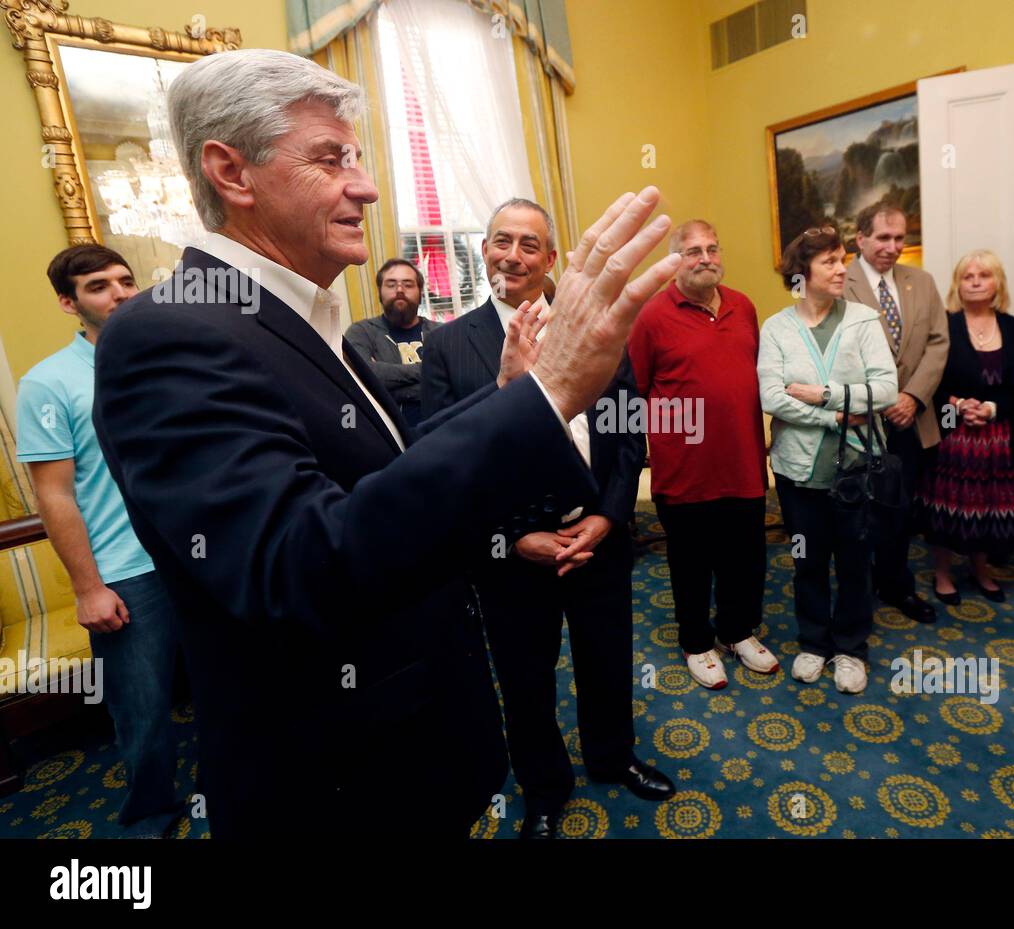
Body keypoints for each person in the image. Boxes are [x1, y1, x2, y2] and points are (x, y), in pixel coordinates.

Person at [90, 49, 681, 838]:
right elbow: (302, 563)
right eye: (331, 158)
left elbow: (383, 476)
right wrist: (548, 399)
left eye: (358, 157)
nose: (365, 185)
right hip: (339, 786)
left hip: (414, 740)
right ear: (232, 173)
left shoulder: (299, 317)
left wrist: (509, 398)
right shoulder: (166, 335)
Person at [422, 198, 673, 839]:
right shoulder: (448, 344)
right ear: (483, 249)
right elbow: (438, 456)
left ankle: (614, 758)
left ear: (551, 259)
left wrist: (612, 516)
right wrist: (509, 537)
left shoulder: (596, 329)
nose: (513, 254)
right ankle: (543, 788)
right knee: (525, 678)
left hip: (597, 537)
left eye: (529, 244)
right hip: (511, 552)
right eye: (501, 241)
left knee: (607, 660)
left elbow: (627, 430)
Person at [16, 245, 186, 838]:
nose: (119, 294)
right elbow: (56, 496)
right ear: (69, 302)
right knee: (142, 713)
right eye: (98, 286)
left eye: (125, 280)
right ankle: (150, 816)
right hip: (126, 572)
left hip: (198, 558)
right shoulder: (47, 383)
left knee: (230, 690)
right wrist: (89, 588)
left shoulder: (169, 363)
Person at [628, 220, 775, 690]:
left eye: (712, 248)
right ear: (674, 261)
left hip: (744, 463)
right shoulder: (652, 315)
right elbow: (636, 390)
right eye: (693, 251)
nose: (705, 257)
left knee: (746, 558)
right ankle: (696, 640)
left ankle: (737, 630)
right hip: (685, 470)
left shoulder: (744, 306)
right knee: (691, 563)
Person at [758, 224, 898, 694]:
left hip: (857, 469)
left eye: (843, 259)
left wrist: (824, 394)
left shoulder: (862, 319)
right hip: (798, 472)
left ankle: (851, 649)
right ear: (803, 273)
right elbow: (772, 397)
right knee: (807, 560)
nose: (842, 269)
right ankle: (814, 643)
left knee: (856, 561)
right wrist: (835, 418)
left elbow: (885, 389)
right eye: (831, 262)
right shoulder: (776, 327)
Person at [843, 200, 949, 624]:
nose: (892, 246)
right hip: (860, 421)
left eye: (900, 237)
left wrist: (913, 398)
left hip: (912, 419)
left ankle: (896, 584)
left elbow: (939, 342)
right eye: (883, 237)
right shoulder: (836, 279)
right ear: (861, 238)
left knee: (899, 509)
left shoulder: (921, 282)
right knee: (857, 510)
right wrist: (883, 399)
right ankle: (856, 588)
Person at [918, 250, 1014, 604]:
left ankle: (980, 570)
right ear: (957, 284)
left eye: (983, 275)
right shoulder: (943, 324)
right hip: (952, 433)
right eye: (967, 276)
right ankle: (942, 573)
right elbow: (928, 380)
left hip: (1000, 438)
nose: (975, 282)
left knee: (986, 507)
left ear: (997, 282)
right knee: (946, 506)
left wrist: (990, 407)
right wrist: (957, 404)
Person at [343, 258, 438, 427]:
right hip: (391, 438)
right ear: (379, 291)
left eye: (408, 285)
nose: (400, 290)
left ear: (420, 292)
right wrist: (431, 370)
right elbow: (363, 380)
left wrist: (386, 385)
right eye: (391, 284)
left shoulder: (441, 333)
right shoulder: (361, 332)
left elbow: (455, 381)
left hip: (441, 430)